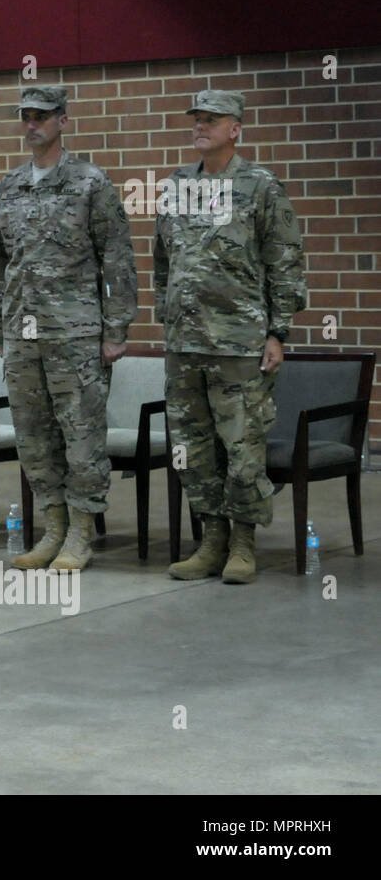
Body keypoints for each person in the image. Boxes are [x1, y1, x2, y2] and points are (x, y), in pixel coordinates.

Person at [157, 90, 306, 584]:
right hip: (185, 344)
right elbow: (163, 262)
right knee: (193, 450)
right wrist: (167, 315)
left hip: (240, 342)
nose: (200, 126)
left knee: (242, 448)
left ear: (235, 128)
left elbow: (284, 262)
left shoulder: (260, 185)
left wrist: (278, 331)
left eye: (211, 119)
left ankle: (243, 543)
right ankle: (210, 541)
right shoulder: (176, 185)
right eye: (196, 119)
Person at [0, 86, 138, 571]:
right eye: (26, 116)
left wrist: (116, 330)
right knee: (32, 435)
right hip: (22, 333)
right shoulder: (10, 186)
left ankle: (81, 532)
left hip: (74, 333)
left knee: (82, 436)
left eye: (42, 116)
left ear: (63, 121)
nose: (32, 124)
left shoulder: (92, 183)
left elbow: (118, 259)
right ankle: (52, 528)